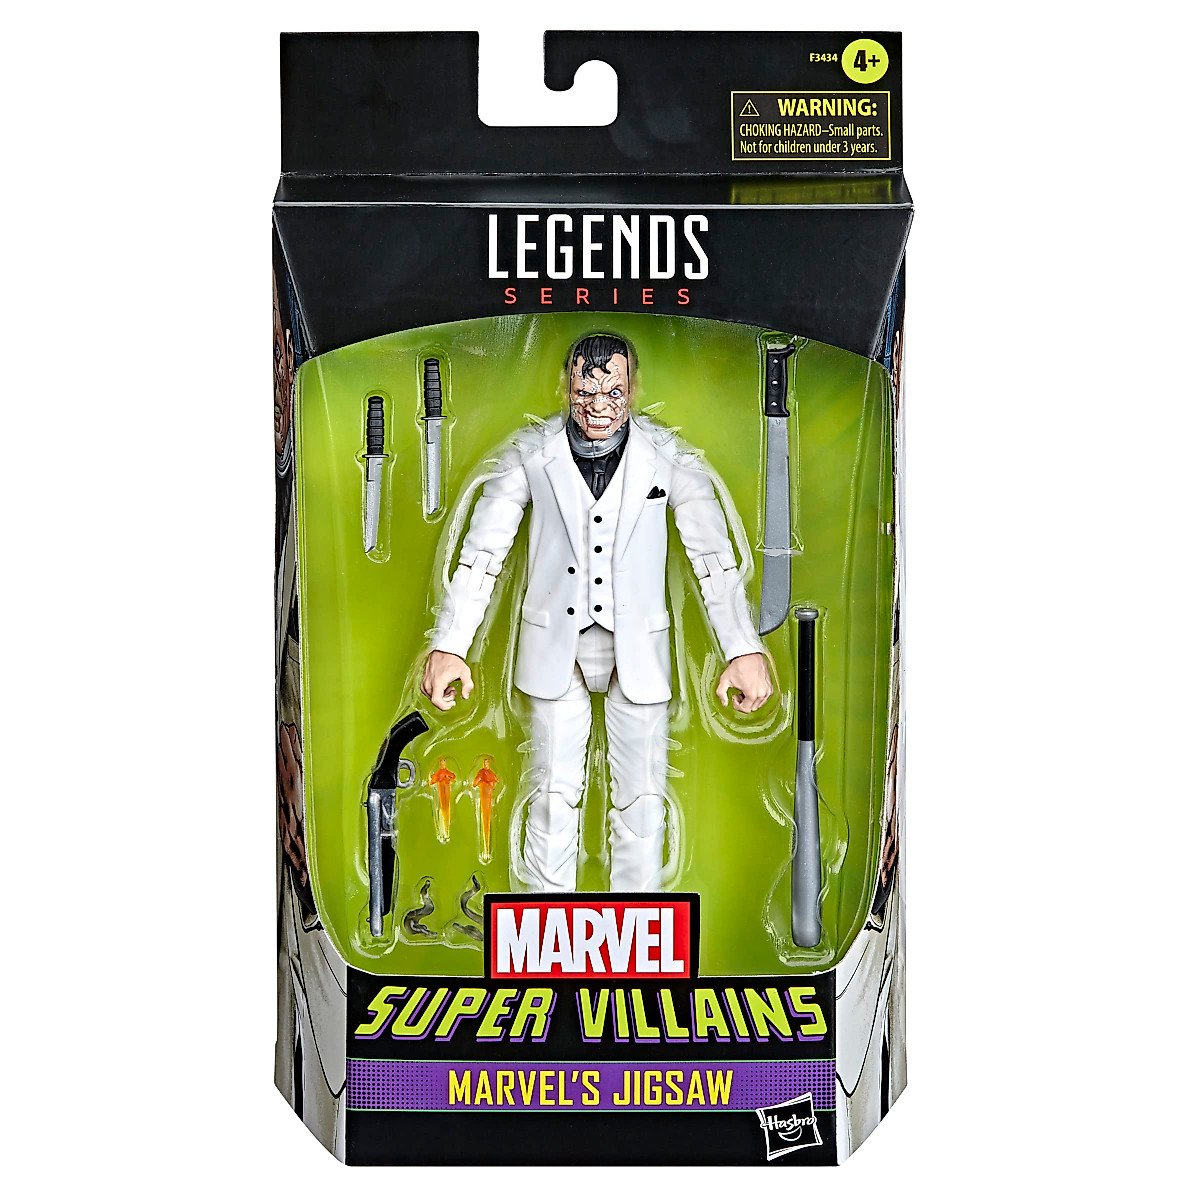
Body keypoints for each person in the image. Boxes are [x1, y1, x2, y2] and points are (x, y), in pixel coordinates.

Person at [422, 333, 772, 891]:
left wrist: (741, 648)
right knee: (551, 797)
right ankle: (545, 922)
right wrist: (451, 643)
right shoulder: (530, 455)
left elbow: (713, 558)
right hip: (553, 647)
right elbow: (482, 554)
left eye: (613, 391)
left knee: (643, 801)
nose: (599, 406)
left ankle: (638, 925)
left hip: (640, 648)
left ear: (632, 389)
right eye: (585, 391)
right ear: (566, 388)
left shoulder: (668, 458)